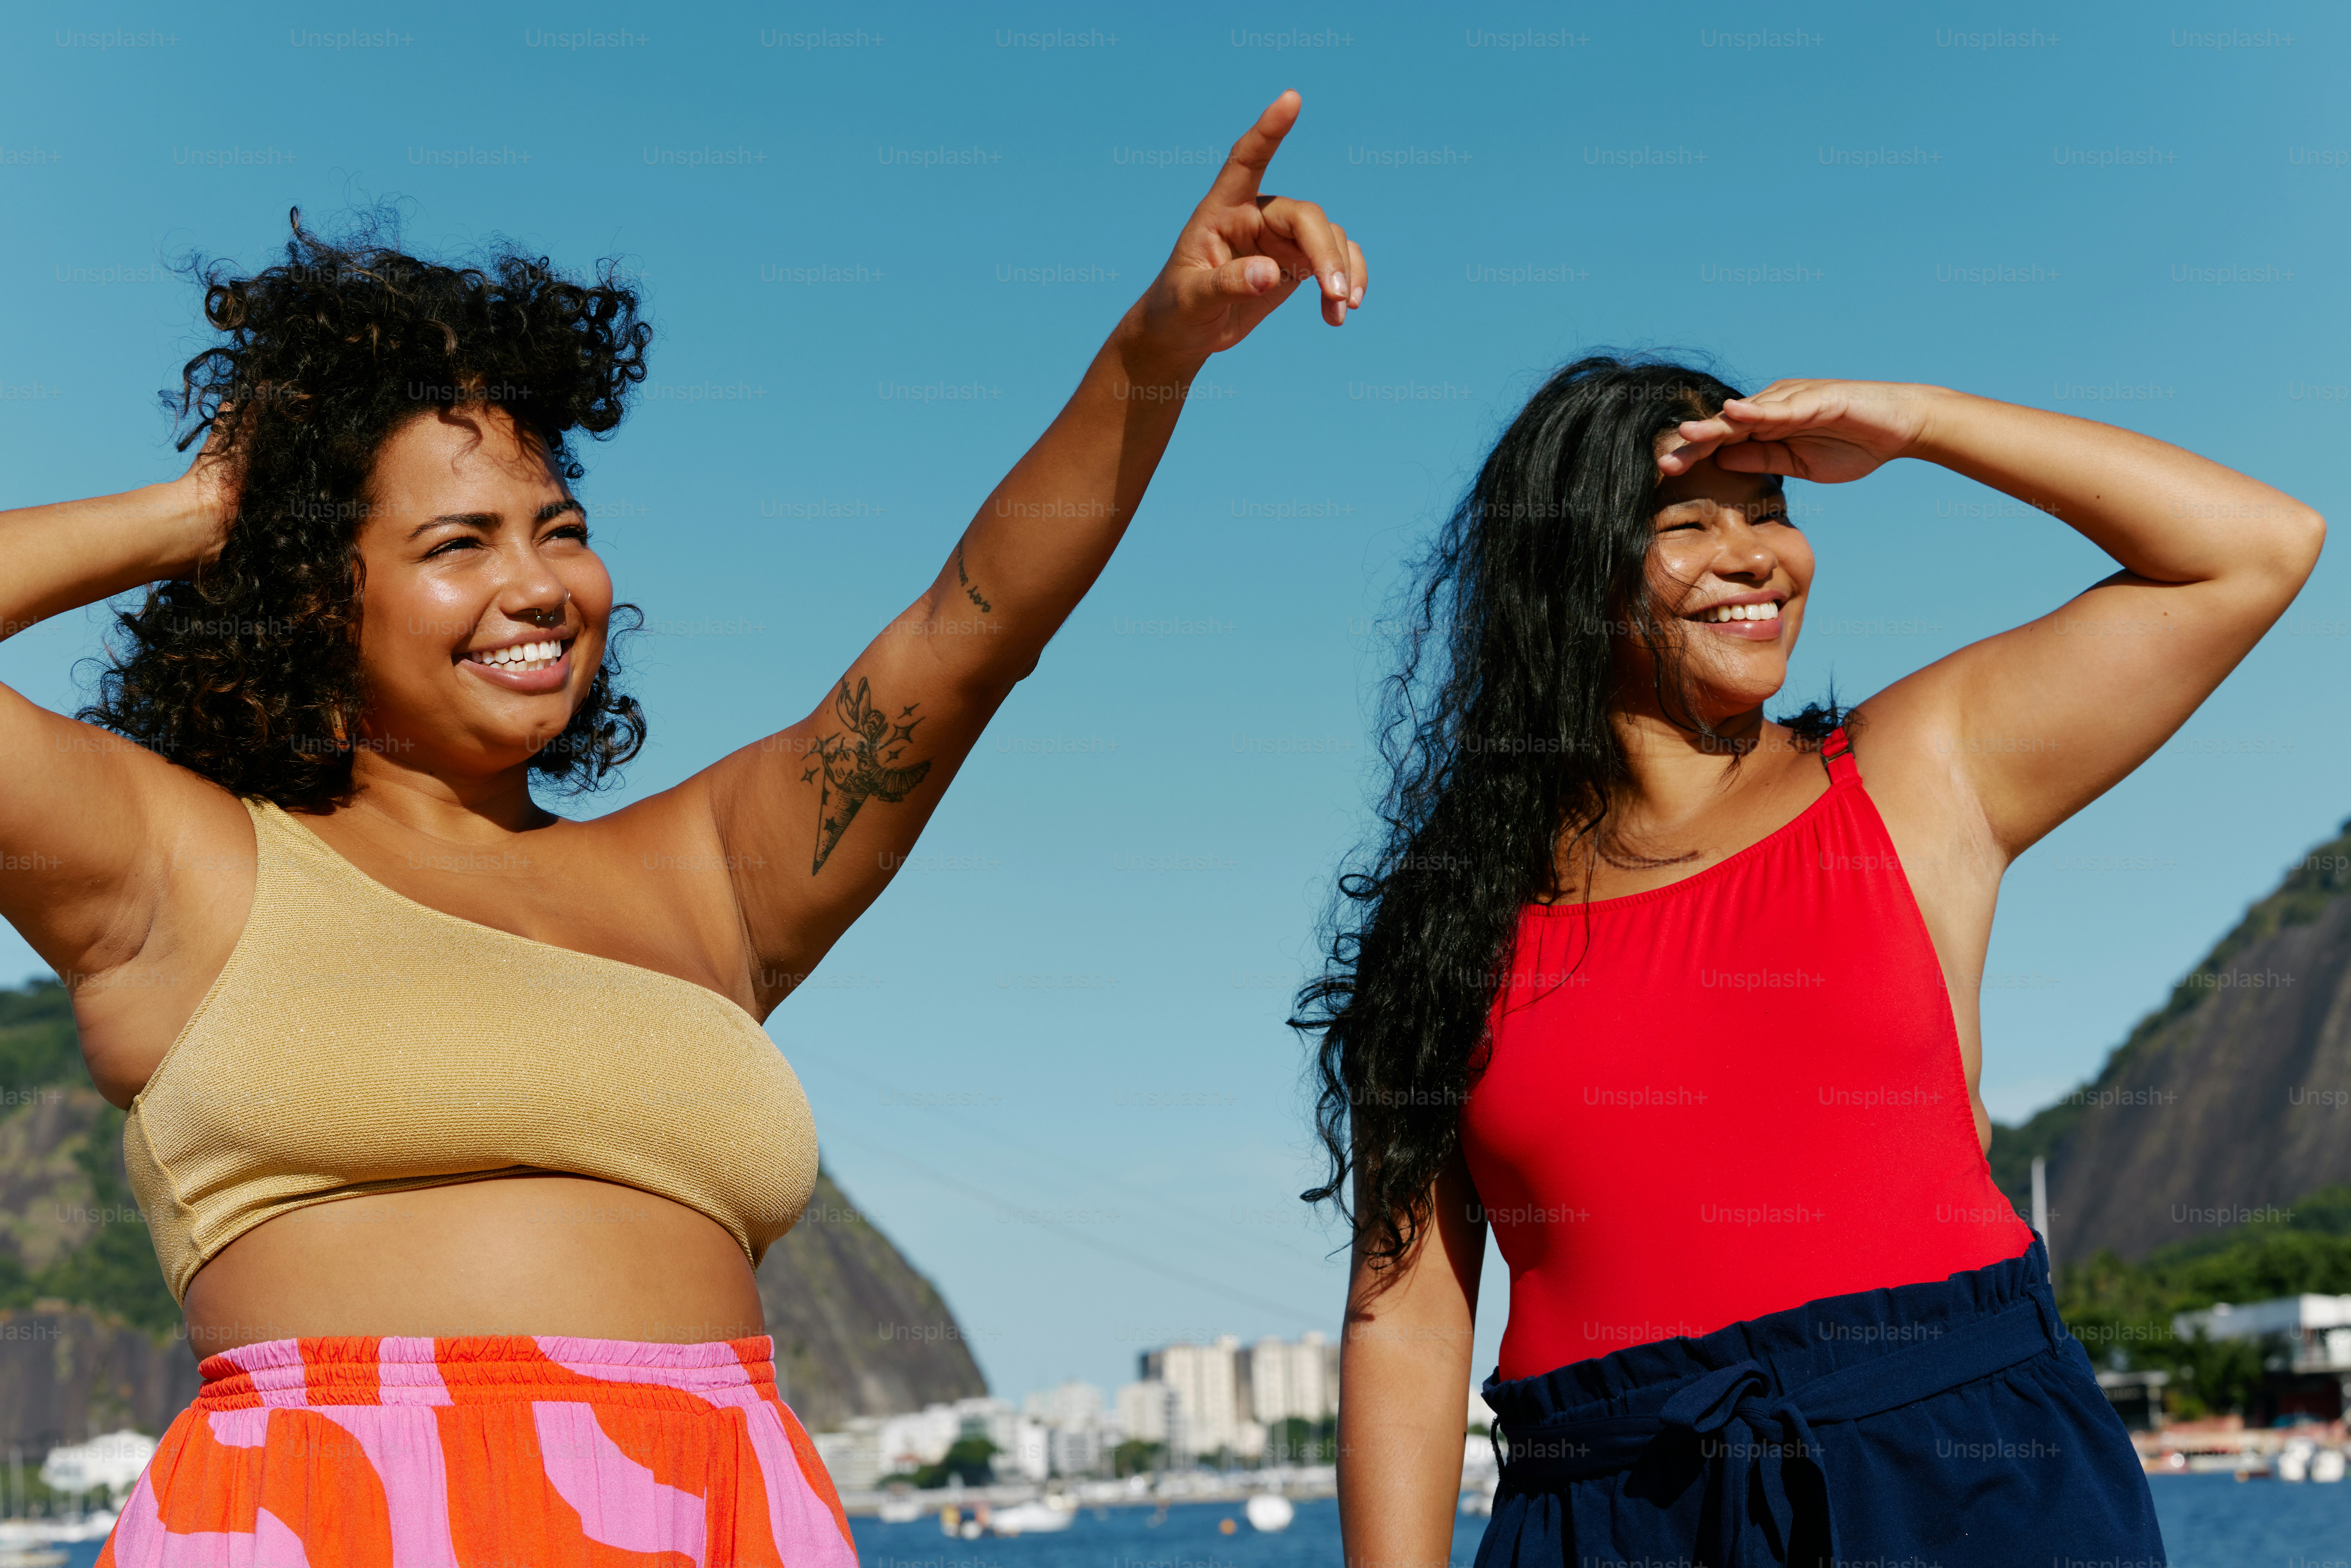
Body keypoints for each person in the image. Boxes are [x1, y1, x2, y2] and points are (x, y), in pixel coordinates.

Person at [0, 92, 1366, 1565]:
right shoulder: (182, 868)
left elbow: (969, 632)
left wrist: (1152, 356)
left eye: (561, 529)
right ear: (314, 596)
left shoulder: (705, 872)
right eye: (460, 544)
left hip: (718, 1511)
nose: (542, 587)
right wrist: (206, 512)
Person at [1303, 358, 2323, 1565]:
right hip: (1611, 1508)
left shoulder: (1917, 773)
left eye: (1771, 514)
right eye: (1688, 525)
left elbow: (2254, 548)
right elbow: (1408, 1320)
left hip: (1967, 1470)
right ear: (1564, 573)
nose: (1755, 558)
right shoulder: (1444, 931)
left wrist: (1921, 423)